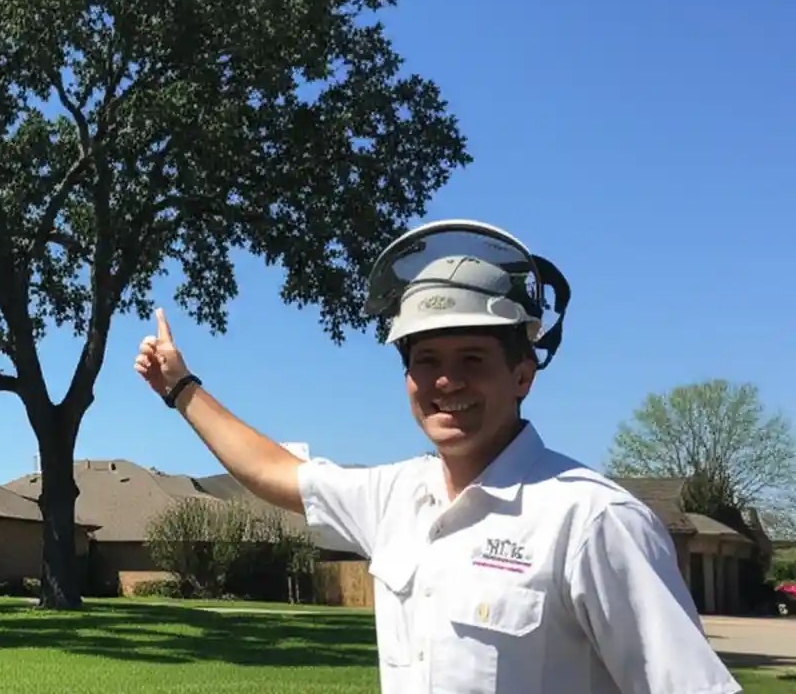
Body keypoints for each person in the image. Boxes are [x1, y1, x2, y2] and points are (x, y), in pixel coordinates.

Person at [134, 220, 740, 694]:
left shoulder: (592, 522)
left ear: (523, 374)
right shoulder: (396, 499)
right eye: (426, 361)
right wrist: (183, 390)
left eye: (472, 359)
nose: (446, 382)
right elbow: (273, 471)